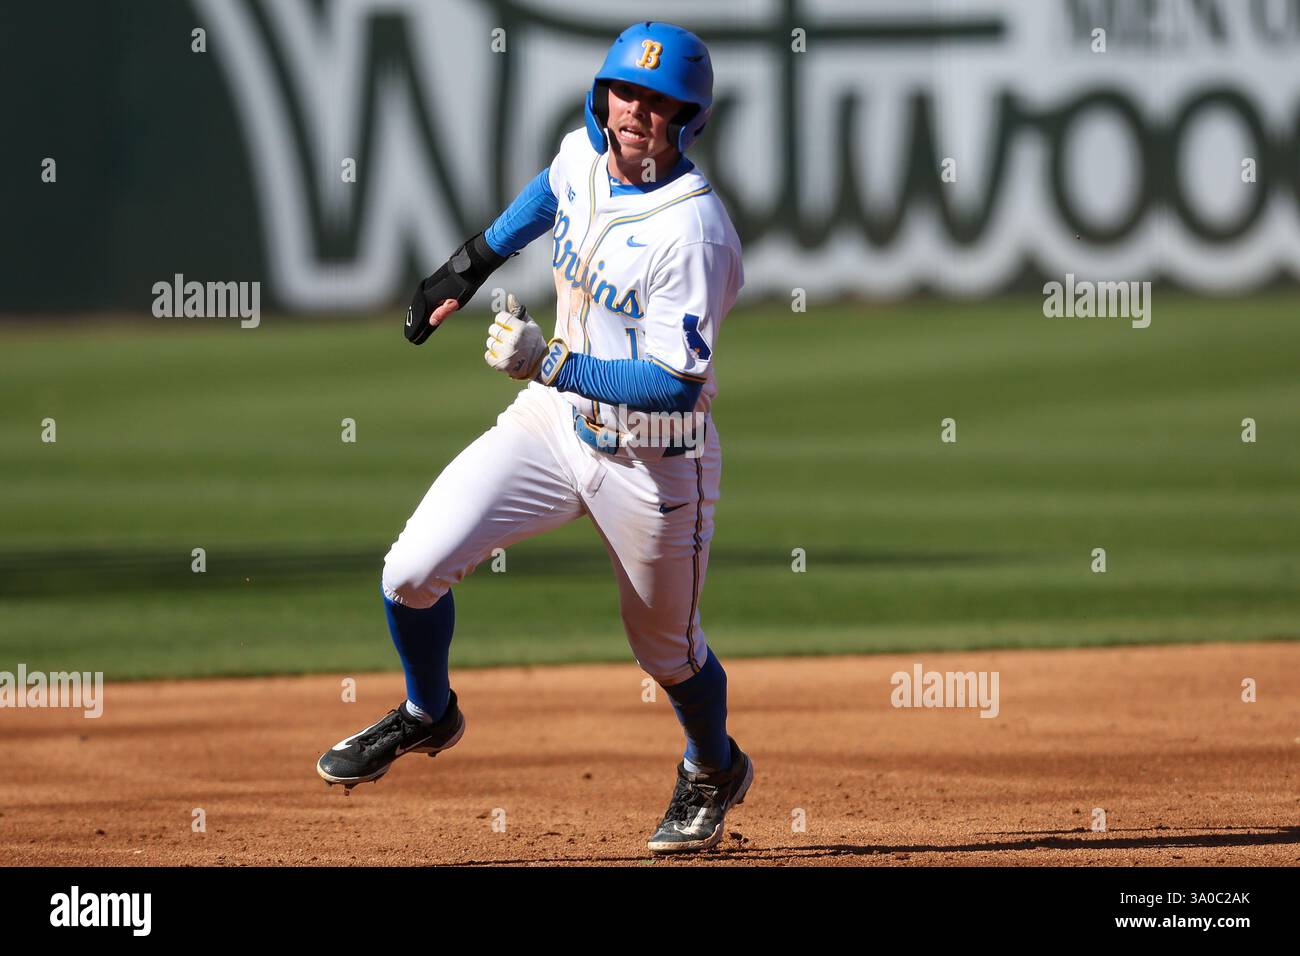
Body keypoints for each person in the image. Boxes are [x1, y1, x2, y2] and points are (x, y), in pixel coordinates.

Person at [317, 21, 749, 854]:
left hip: (655, 460)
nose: (637, 112)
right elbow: (550, 193)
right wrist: (468, 264)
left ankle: (713, 766)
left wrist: (549, 361)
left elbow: (673, 382)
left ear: (690, 119)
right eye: (626, 91)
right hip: (554, 429)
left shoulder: (693, 231)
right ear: (602, 94)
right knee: (409, 572)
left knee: (667, 652)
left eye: (661, 103)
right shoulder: (583, 155)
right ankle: (427, 711)